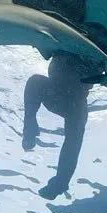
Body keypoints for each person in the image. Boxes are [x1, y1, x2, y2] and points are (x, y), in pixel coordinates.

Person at [21, 53, 93, 199]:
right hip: (58, 93)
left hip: (74, 99)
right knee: (35, 81)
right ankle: (29, 124)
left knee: (74, 138)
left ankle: (61, 181)